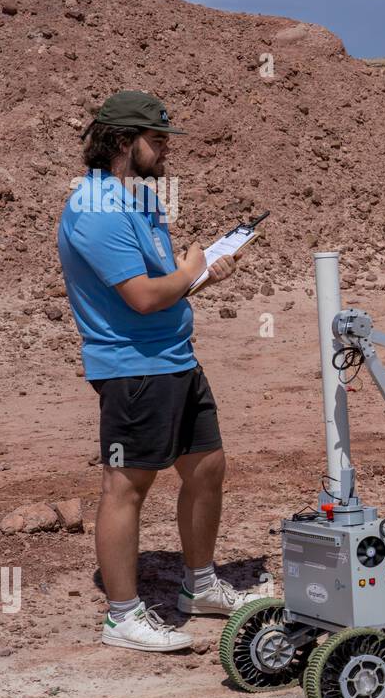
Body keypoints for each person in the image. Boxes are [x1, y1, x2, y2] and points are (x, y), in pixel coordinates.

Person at [58, 90, 259, 652]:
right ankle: (122, 616)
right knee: (126, 486)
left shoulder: (142, 201)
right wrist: (191, 268)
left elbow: (166, 283)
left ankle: (200, 587)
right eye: (158, 140)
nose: (167, 150)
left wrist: (201, 274)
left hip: (176, 359)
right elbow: (145, 297)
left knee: (207, 467)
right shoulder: (94, 210)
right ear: (123, 142)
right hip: (133, 368)